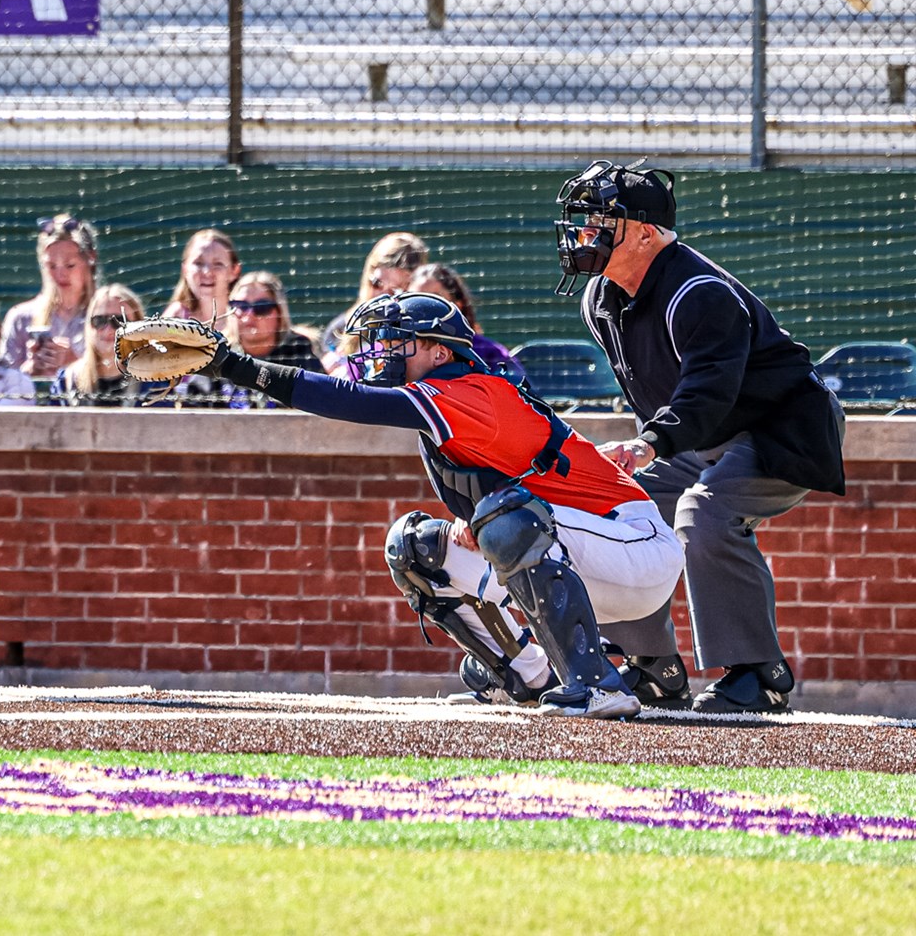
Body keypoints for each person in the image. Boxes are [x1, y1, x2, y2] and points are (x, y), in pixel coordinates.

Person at [194, 292, 685, 718]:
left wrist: (234, 366)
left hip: (634, 544)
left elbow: (348, 400)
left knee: (503, 518)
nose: (383, 352)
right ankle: (529, 678)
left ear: (437, 350)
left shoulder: (472, 391)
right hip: (582, 552)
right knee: (415, 548)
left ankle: (597, 684)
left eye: (397, 341)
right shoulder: (451, 396)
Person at [557, 161, 846, 713]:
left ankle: (759, 672)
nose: (586, 232)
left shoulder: (699, 292)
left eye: (602, 221)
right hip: (706, 438)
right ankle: (654, 664)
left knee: (705, 512)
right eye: (584, 219)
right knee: (621, 509)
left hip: (785, 429)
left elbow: (707, 391)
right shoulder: (599, 298)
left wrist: (650, 442)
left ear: (645, 233)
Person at [183, 269, 319, 408]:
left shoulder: (301, 356)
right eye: (241, 306)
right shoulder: (216, 356)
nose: (249, 315)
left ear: (279, 313)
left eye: (261, 307)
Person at [0, 214, 98, 379]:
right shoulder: (21, 318)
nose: (60, 274)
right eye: (51, 266)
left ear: (90, 259)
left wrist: (76, 364)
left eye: (70, 265)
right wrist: (28, 371)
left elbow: (124, 381)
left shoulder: (108, 318)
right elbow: (0, 388)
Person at [322, 231, 429, 370]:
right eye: (377, 283)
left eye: (394, 291)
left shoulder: (425, 334)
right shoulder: (341, 328)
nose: (381, 297)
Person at [410, 263, 525, 384]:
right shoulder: (398, 348)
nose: (423, 307)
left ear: (457, 305)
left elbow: (519, 393)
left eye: (435, 299)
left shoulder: (488, 351)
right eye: (413, 299)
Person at [52, 284, 161, 407]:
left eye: (119, 321)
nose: (108, 329)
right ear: (89, 326)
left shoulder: (156, 382)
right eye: (99, 321)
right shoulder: (68, 381)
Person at [162, 229, 240, 331]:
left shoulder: (247, 316)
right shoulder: (175, 319)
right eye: (198, 263)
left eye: (218, 264)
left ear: (234, 271)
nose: (207, 272)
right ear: (185, 269)